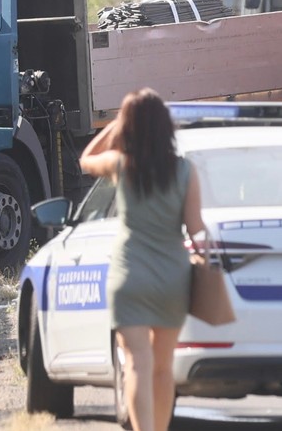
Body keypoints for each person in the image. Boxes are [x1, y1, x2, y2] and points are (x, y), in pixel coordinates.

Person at [79, 88, 206, 431]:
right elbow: (196, 229)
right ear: (166, 126)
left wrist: (116, 125)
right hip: (171, 277)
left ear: (129, 127)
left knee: (136, 364)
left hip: (129, 275)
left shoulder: (121, 164)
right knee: (163, 367)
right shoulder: (184, 171)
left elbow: (86, 158)